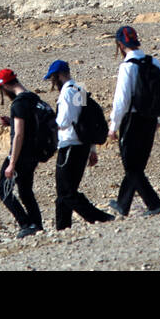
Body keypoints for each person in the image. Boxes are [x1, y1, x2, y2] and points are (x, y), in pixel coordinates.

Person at [44, 60, 114, 230]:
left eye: (53, 79)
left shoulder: (67, 93)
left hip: (69, 145)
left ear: (58, 76)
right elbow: (86, 121)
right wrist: (92, 149)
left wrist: (47, 123)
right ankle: (62, 227)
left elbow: (65, 120)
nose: (53, 83)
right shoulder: (79, 88)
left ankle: (101, 218)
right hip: (82, 145)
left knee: (66, 192)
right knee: (65, 192)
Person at [106, 25, 160, 217]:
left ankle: (154, 204)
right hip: (150, 119)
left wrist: (113, 126)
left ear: (121, 45)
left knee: (131, 167)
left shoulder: (127, 67)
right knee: (136, 165)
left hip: (132, 120)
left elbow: (121, 101)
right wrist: (158, 118)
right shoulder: (155, 63)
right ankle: (123, 205)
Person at [0, 68, 45, 237]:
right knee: (25, 191)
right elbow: (30, 125)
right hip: (33, 154)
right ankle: (37, 225)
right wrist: (11, 123)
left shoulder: (18, 103)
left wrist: (12, 163)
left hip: (20, 155)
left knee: (4, 191)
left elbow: (20, 135)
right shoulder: (33, 98)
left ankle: (26, 223)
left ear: (5, 86)